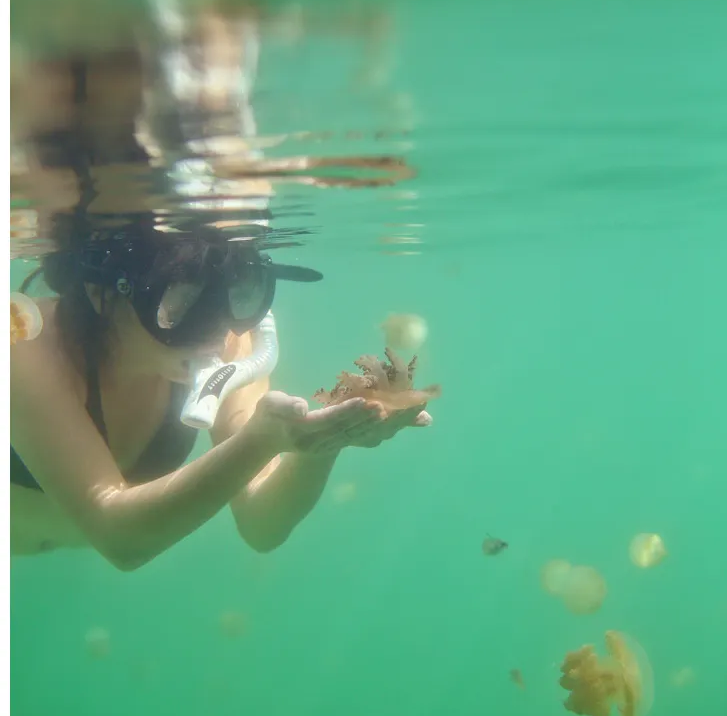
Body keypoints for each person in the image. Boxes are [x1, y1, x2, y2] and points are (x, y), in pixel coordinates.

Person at [10, 213, 432, 568]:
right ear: (103, 292)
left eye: (238, 295)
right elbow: (121, 541)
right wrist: (260, 441)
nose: (216, 330)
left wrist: (324, 441)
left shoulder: (229, 342)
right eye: (181, 300)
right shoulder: (24, 347)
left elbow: (262, 525)